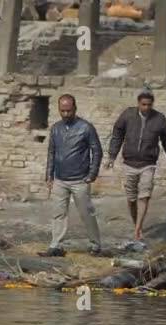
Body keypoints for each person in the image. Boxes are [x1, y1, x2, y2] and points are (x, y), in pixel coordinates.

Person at [106, 89, 166, 241]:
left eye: (149, 105)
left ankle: (137, 230)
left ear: (152, 104)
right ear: (138, 103)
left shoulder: (159, 119)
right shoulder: (128, 115)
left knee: (144, 196)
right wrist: (111, 156)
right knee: (131, 198)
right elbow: (117, 134)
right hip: (129, 163)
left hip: (148, 163)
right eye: (143, 104)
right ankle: (137, 224)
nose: (146, 108)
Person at [41, 94, 103, 257]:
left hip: (80, 179)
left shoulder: (86, 128)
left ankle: (95, 244)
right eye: (62, 111)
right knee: (58, 213)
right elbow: (51, 152)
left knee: (86, 213)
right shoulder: (55, 128)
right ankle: (56, 245)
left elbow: (96, 151)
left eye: (68, 110)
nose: (66, 114)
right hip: (60, 179)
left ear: (74, 109)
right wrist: (49, 175)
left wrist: (92, 174)